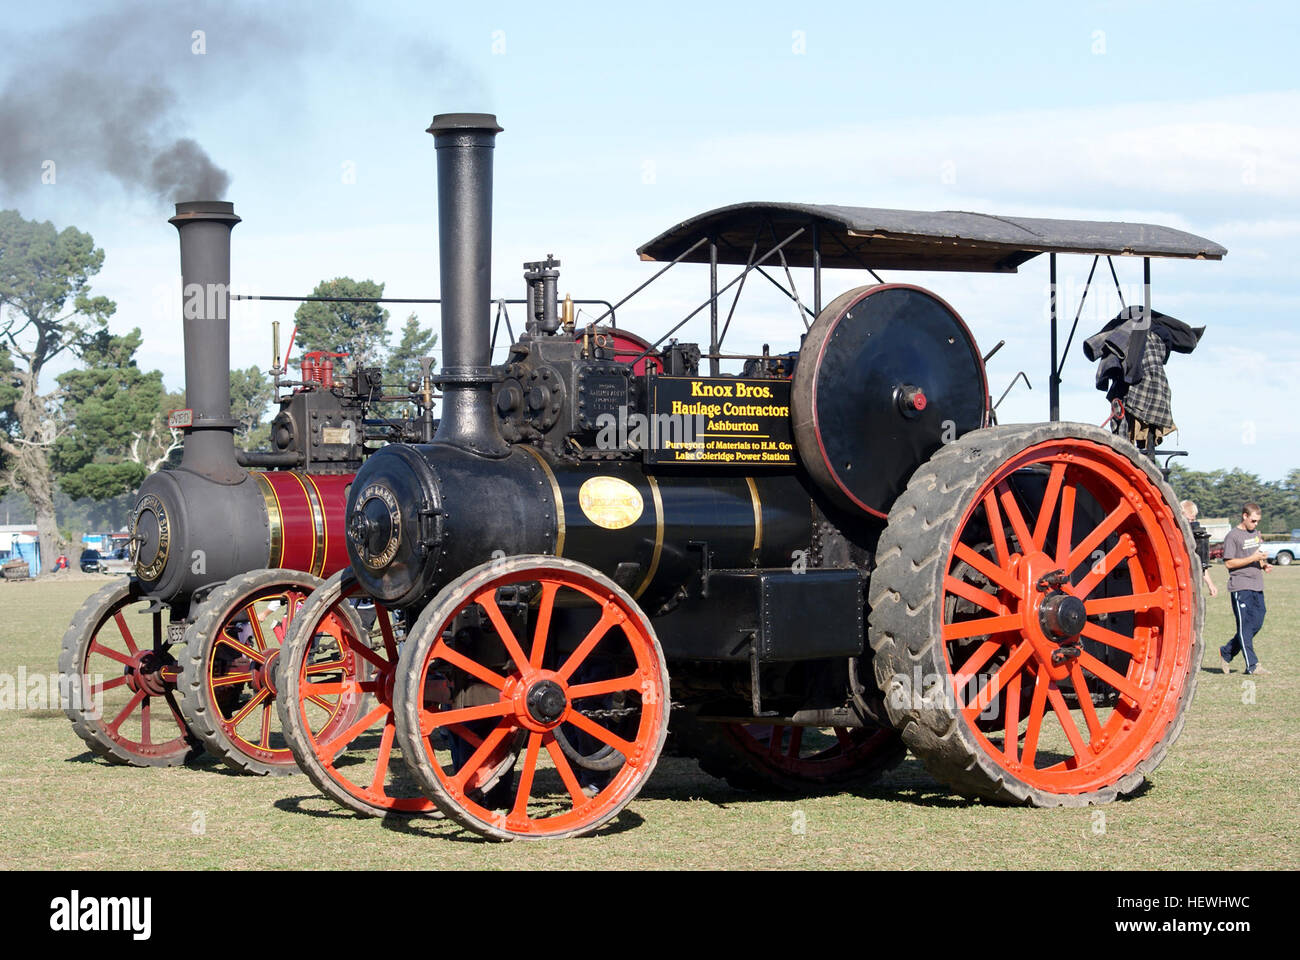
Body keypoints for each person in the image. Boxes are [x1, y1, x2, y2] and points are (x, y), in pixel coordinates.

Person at [1220, 502, 1270, 675]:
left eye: (1258, 521)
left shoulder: (1255, 533)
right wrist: (1252, 558)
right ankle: (1252, 665)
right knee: (1244, 627)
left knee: (1256, 623)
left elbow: (1257, 554)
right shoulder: (1232, 536)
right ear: (1245, 516)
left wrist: (1264, 564)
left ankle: (1227, 651)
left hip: (1257, 585)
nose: (1256, 525)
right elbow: (1229, 563)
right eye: (1254, 521)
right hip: (1240, 586)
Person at [1180, 500, 1217, 599]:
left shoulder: (1196, 538)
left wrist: (1210, 584)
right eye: (1188, 520)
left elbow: (1200, 563)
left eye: (1193, 520)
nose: (1192, 524)